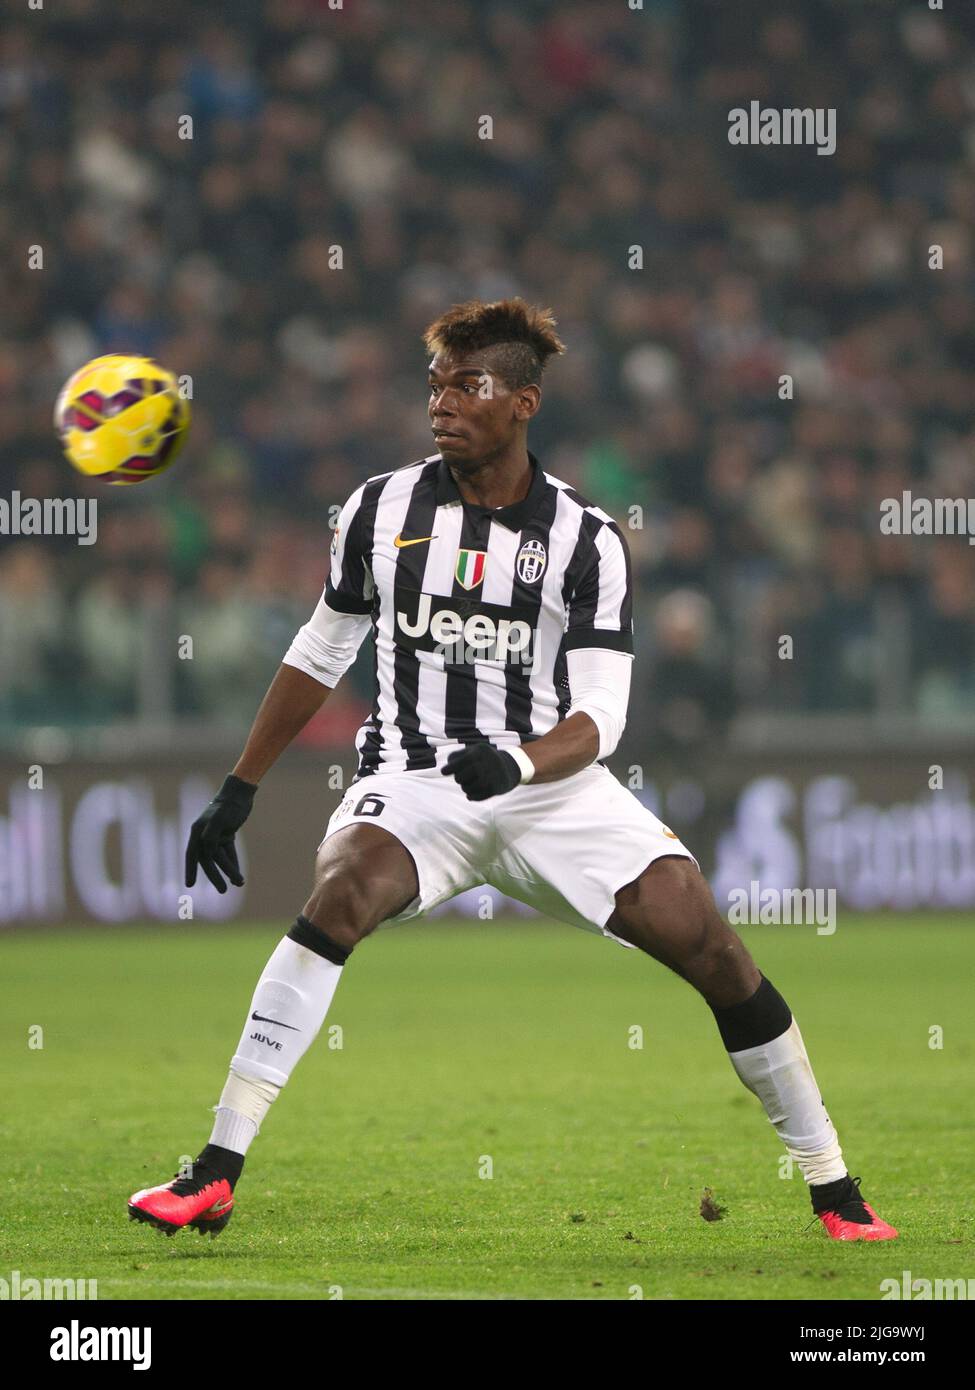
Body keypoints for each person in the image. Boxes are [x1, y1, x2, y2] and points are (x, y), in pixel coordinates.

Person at [128, 298, 896, 1243]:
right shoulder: (379, 507)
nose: (442, 404)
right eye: (435, 386)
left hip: (553, 790)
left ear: (523, 402)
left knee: (715, 952)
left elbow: (600, 717)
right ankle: (213, 1172)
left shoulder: (586, 540)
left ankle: (832, 1186)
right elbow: (320, 650)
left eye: (467, 385)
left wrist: (520, 761)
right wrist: (238, 786)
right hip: (415, 782)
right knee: (337, 896)